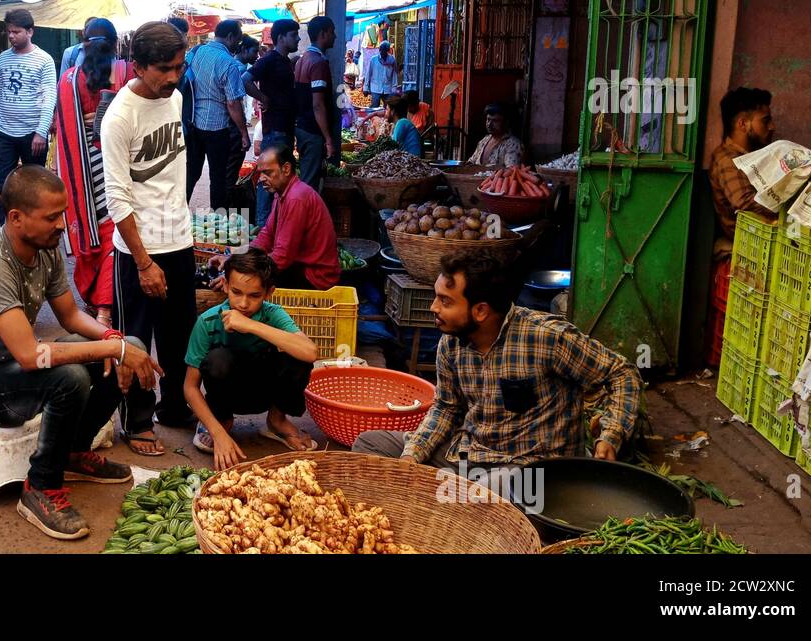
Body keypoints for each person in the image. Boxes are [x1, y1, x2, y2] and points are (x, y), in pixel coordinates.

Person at [0, 165, 161, 540]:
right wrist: (112, 347)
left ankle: (74, 453)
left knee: (130, 346)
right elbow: (31, 356)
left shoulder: (45, 247)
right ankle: (40, 487)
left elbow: (71, 316)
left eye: (62, 214)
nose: (62, 225)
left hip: (14, 367)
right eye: (52, 217)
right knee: (70, 378)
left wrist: (115, 339)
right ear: (16, 218)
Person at [352, 251, 641, 480]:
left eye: (445, 301)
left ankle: (454, 496)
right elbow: (446, 407)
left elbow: (621, 372)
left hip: (530, 470)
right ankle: (446, 491)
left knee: (491, 491)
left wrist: (611, 435)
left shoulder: (546, 337)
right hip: (471, 455)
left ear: (480, 311)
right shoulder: (451, 343)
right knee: (370, 446)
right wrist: (412, 455)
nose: (434, 308)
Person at [100, 20, 197, 455]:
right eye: (164, 68)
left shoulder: (174, 99)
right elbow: (117, 198)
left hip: (179, 240)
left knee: (180, 335)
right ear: (137, 66)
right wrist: (143, 262)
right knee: (135, 340)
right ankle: (138, 420)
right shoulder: (119, 117)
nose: (173, 77)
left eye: (179, 66)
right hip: (139, 250)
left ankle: (175, 408)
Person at [184, 249, 319, 468]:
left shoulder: (272, 313)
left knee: (297, 357)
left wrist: (250, 325)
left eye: (254, 296)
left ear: (268, 293)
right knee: (218, 359)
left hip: (265, 391)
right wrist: (217, 434)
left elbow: (310, 352)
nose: (243, 304)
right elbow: (190, 388)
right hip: (227, 393)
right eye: (236, 292)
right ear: (225, 285)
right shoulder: (207, 322)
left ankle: (276, 421)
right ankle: (221, 421)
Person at [54, 17, 133, 329]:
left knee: (93, 233)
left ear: (82, 43)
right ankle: (106, 309)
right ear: (115, 44)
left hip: (82, 174)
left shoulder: (69, 81)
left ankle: (95, 302)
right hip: (115, 165)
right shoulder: (126, 74)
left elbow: (62, 132)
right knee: (116, 234)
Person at [209, 144, 339, 291]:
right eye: (260, 173)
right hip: (297, 266)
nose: (261, 179)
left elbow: (282, 257)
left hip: (314, 276)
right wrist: (233, 260)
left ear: (286, 169)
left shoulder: (296, 198)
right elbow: (267, 236)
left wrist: (237, 274)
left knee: (244, 285)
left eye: (268, 173)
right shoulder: (281, 193)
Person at [0, 8, 57, 222]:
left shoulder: (44, 60)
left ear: (30, 32)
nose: (11, 36)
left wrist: (41, 131)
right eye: (9, 31)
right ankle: (0, 229)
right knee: (0, 181)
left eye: (16, 31)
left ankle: (34, 224)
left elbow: (49, 97)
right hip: (5, 131)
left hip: (32, 133)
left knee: (34, 182)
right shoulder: (3, 58)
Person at [184, 19, 250, 211]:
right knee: (218, 177)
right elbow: (232, 102)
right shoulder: (228, 63)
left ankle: (178, 213)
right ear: (230, 37)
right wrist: (243, 133)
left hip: (193, 123)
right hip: (217, 128)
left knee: (191, 173)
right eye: (238, 39)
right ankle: (218, 219)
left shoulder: (196, 53)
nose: (239, 44)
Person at [244, 19, 300, 226]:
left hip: (284, 128)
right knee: (269, 178)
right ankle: (262, 225)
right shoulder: (269, 60)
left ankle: (271, 225)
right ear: (281, 37)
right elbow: (245, 79)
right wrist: (262, 97)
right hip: (274, 128)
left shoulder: (285, 61)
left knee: (278, 179)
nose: (298, 38)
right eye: (294, 35)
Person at [709, 87, 777, 244]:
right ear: (743, 124)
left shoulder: (749, 156)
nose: (772, 126)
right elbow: (744, 202)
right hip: (752, 242)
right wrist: (788, 209)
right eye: (765, 120)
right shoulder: (727, 160)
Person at [294, 16, 340, 190]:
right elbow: (318, 104)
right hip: (313, 131)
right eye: (332, 32)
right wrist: (328, 139)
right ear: (323, 34)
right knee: (310, 183)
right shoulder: (318, 63)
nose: (335, 36)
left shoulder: (302, 59)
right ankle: (305, 216)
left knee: (307, 177)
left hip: (303, 127)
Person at [466, 103, 525, 168]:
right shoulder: (484, 141)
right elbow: (471, 162)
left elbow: (511, 171)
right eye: (488, 120)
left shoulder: (513, 144)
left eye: (495, 121)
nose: (489, 124)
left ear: (506, 123)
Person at [364, 40, 400, 108]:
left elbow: (394, 74)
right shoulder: (373, 60)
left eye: (384, 51)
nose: (382, 52)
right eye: (381, 50)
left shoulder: (392, 60)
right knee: (374, 107)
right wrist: (365, 88)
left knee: (388, 108)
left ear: (387, 51)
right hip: (375, 88)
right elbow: (368, 74)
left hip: (387, 89)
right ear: (379, 50)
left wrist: (394, 88)